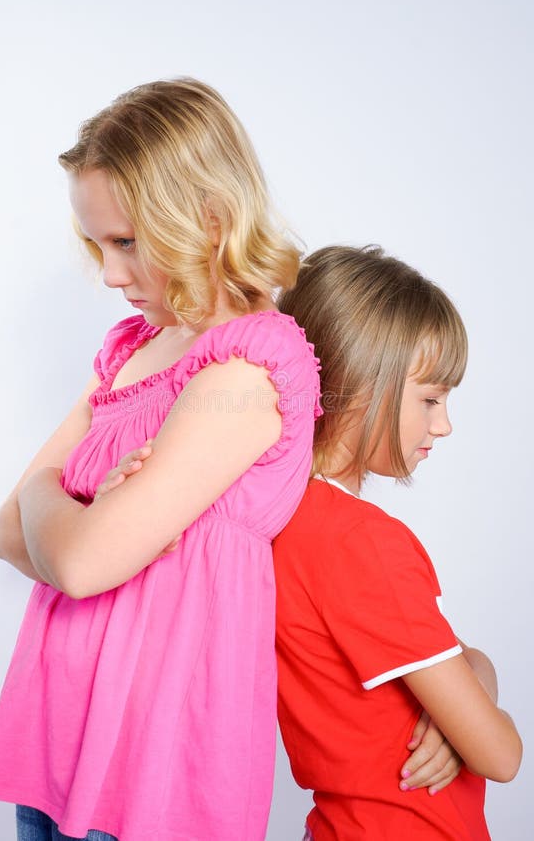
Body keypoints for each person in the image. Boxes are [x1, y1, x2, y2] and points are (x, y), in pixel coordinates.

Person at [0, 78, 322, 841]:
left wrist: (54, 503)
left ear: (210, 217)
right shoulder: (131, 353)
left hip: (154, 762)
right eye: (96, 243)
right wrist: (55, 506)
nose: (110, 273)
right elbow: (5, 532)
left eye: (127, 242)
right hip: (59, 733)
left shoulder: (247, 367)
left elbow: (78, 565)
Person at [274, 245, 522, 840]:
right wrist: (484, 719)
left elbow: (463, 658)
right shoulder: (362, 542)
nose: (444, 424)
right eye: (430, 399)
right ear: (360, 387)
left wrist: (467, 696)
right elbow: (502, 756)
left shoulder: (291, 521)